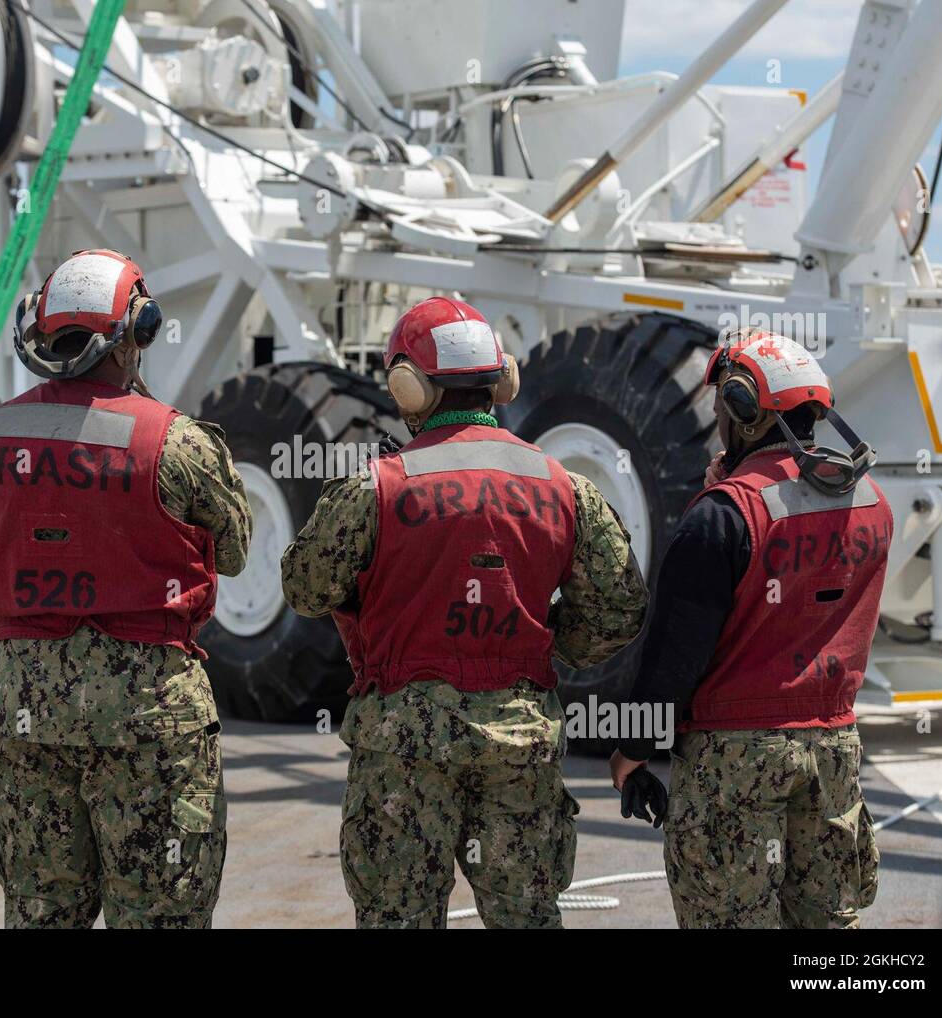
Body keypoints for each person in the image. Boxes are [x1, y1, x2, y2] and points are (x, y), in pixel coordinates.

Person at [281, 297, 648, 928]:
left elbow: (304, 588)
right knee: (527, 917)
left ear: (408, 385)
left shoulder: (376, 487)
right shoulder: (565, 487)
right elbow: (619, 609)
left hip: (402, 746)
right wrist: (546, 643)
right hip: (521, 739)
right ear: (501, 379)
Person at [0, 249, 250, 928]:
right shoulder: (177, 442)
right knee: (159, 909)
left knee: (39, 910)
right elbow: (233, 552)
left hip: (21, 702)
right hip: (147, 709)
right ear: (139, 331)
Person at [609, 327, 890, 929]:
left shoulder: (721, 516)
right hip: (834, 753)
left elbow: (673, 659)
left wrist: (633, 750)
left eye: (722, 408)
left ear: (745, 411)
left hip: (733, 757)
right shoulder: (872, 502)